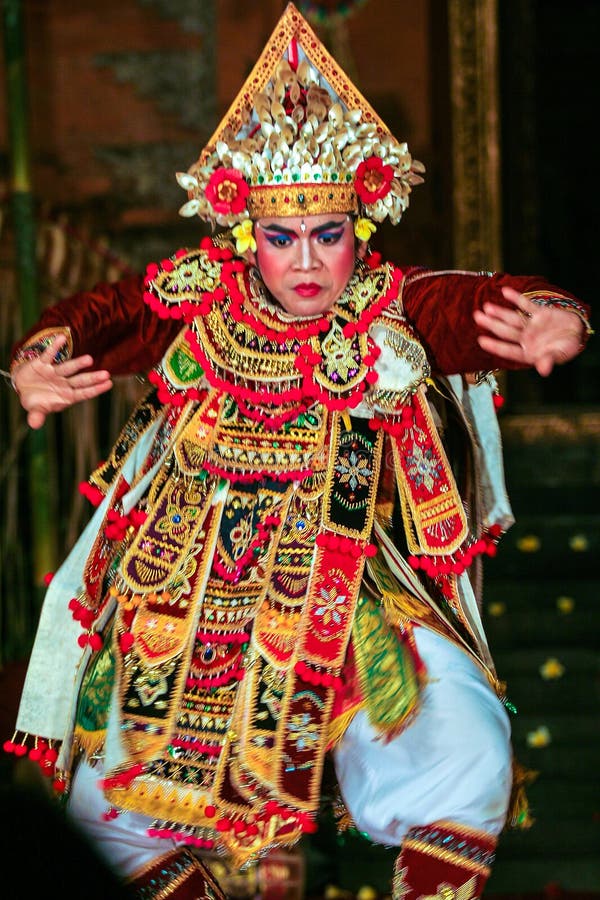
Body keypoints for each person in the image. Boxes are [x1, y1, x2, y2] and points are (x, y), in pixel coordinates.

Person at [5, 4, 591, 898]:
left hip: (348, 579)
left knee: (463, 735)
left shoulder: (393, 306)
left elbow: (477, 302)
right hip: (194, 587)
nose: (307, 263)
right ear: (247, 233)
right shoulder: (205, 294)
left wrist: (553, 312)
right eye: (282, 239)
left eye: (330, 235)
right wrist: (44, 353)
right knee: (112, 793)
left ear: (361, 228)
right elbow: (111, 314)